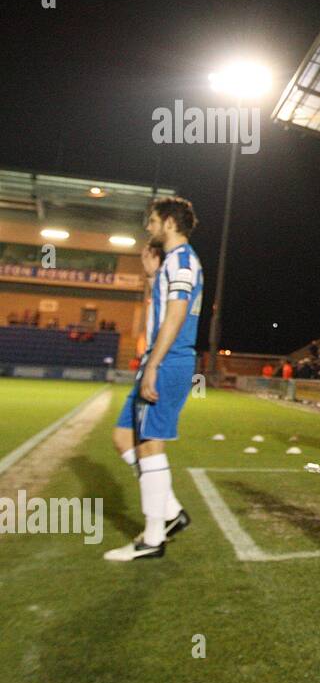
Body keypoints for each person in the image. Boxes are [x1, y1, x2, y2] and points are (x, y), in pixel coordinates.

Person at [104, 199, 203, 561]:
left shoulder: (181, 260)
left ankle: (153, 538)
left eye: (153, 221)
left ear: (170, 222)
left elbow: (176, 315)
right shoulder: (170, 263)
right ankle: (171, 513)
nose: (149, 227)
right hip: (161, 360)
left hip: (169, 361)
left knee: (150, 447)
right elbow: (163, 309)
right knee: (122, 438)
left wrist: (153, 365)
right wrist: (149, 277)